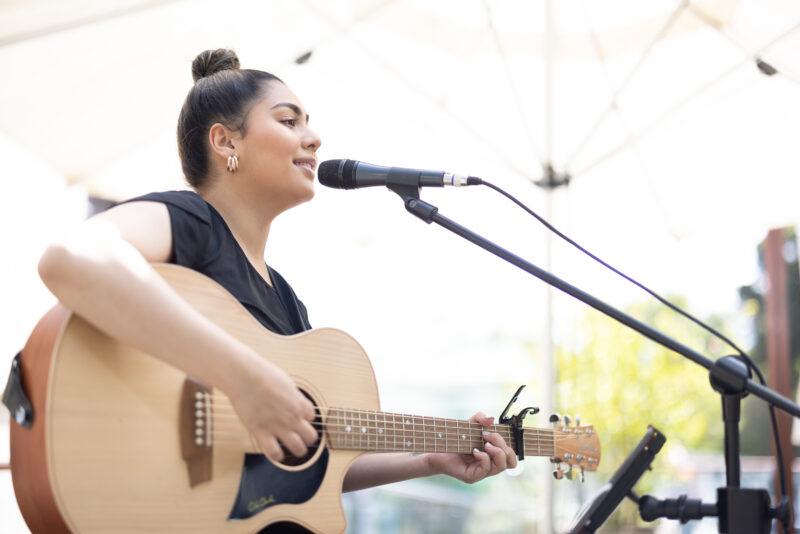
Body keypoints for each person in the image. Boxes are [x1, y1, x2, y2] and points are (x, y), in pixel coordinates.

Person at [37, 48, 516, 527]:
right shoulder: (193, 221)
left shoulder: (286, 300)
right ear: (226, 142)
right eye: (289, 121)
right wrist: (243, 378)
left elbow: (309, 454)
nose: (314, 137)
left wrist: (428, 461)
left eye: (308, 123)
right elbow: (72, 257)